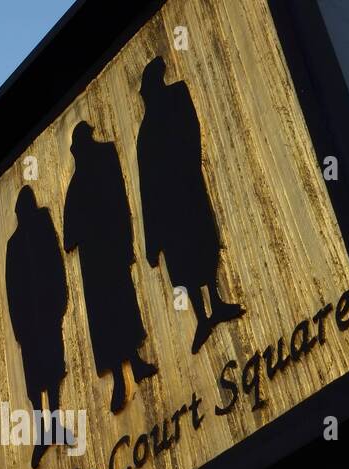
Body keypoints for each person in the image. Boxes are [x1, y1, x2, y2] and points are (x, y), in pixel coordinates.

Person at [136, 56, 244, 355]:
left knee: (201, 246)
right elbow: (147, 185)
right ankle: (202, 318)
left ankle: (218, 302)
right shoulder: (144, 131)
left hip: (186, 188)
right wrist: (152, 240)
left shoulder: (177, 96)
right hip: (169, 205)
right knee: (184, 261)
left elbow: (193, 133)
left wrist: (188, 169)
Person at [63, 121, 158, 414]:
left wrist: (123, 241)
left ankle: (130, 368)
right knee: (114, 310)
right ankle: (123, 375)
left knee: (116, 309)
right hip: (103, 256)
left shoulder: (96, 166)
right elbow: (69, 239)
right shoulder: (81, 180)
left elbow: (116, 202)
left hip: (106, 253)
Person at [4, 185, 71, 469]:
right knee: (35, 383)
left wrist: (60, 299)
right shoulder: (14, 243)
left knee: (53, 371)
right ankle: (43, 431)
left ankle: (55, 424)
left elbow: (56, 261)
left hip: (47, 313)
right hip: (29, 324)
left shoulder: (43, 225)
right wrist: (19, 328)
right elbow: (12, 288)